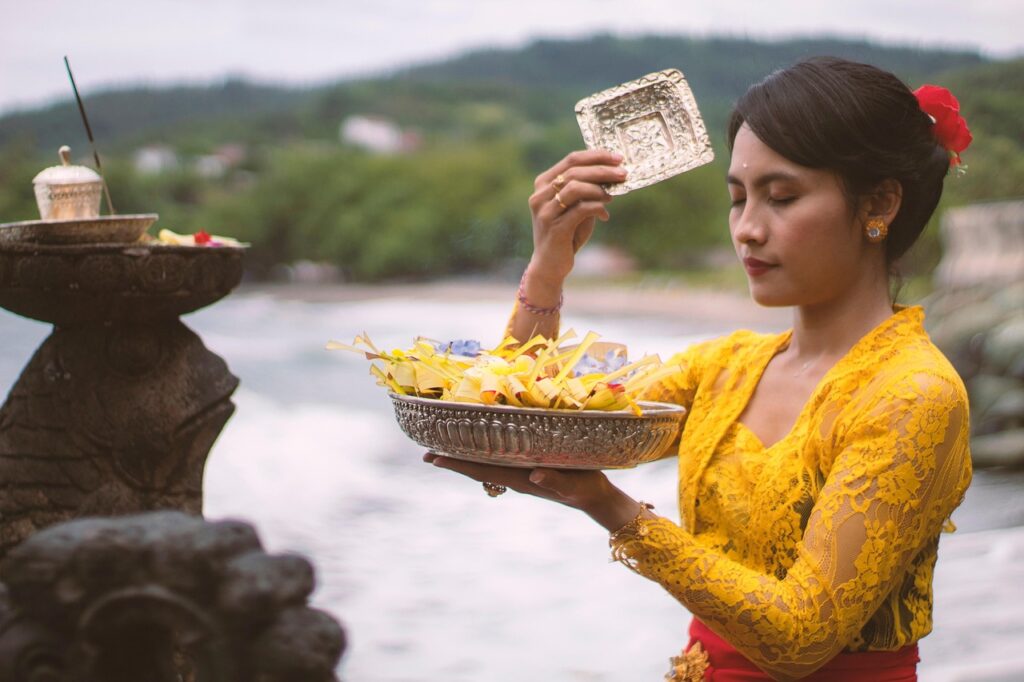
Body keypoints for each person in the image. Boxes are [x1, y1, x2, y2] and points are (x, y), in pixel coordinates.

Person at [424, 56, 973, 681]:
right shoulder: (726, 368)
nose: (748, 230)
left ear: (879, 202)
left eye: (782, 197)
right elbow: (529, 418)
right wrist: (548, 265)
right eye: (738, 199)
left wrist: (610, 506)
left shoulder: (912, 395)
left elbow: (801, 638)